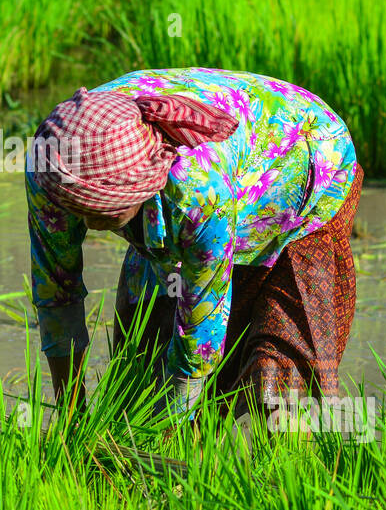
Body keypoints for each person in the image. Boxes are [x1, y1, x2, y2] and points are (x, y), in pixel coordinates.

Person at [24, 67, 362, 431]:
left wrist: (168, 433)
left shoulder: (198, 193)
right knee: (145, 344)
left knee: (277, 363)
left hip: (306, 162)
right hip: (223, 169)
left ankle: (278, 466)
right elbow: (56, 293)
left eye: (102, 209)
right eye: (79, 207)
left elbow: (201, 331)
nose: (88, 222)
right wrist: (73, 421)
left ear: (145, 183)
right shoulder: (53, 163)